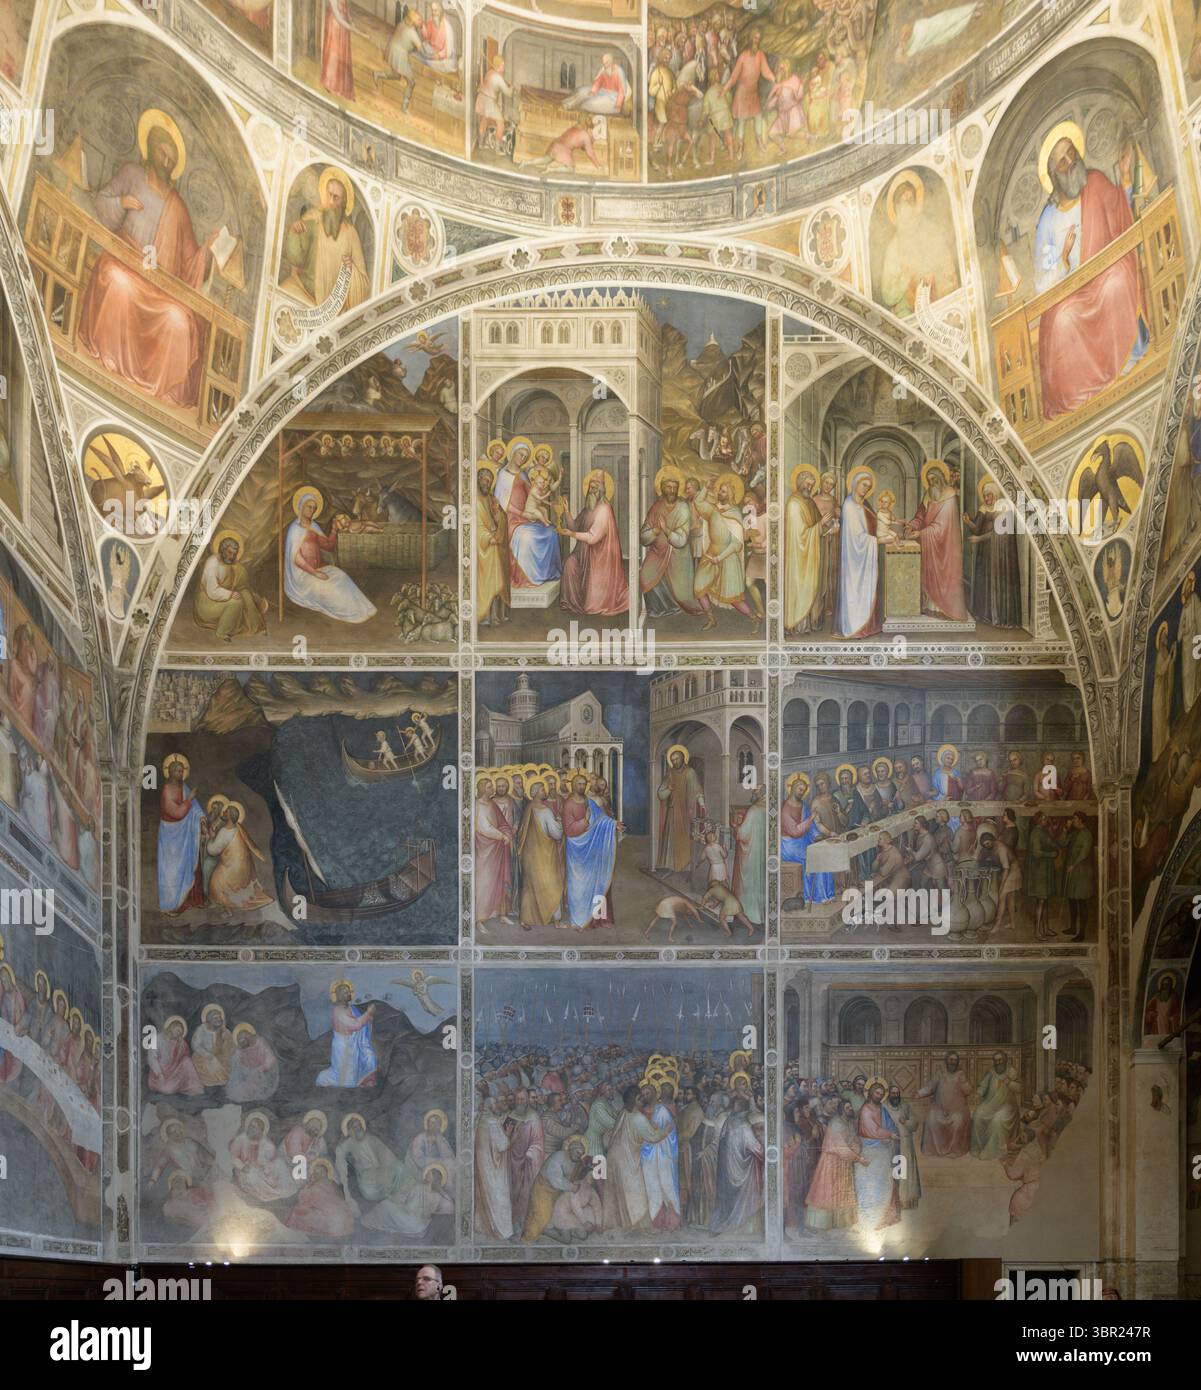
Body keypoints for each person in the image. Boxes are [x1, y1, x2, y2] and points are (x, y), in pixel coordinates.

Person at [77, 117, 218, 407]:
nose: (165, 162)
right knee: (118, 284)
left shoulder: (178, 206)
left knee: (178, 320)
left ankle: (162, 391)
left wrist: (208, 250)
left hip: (159, 284)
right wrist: (121, 203)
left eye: (171, 159)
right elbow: (102, 201)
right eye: (161, 153)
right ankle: (111, 363)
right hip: (122, 258)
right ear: (150, 150)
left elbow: (189, 262)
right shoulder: (132, 174)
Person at [1033, 128, 1144, 419]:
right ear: (1054, 175)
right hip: (1071, 293)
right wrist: (1064, 259)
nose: (1070, 162)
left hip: (1104, 274)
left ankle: (1126, 359)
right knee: (1064, 320)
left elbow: (1120, 211)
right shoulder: (1047, 221)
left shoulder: (1094, 182)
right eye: (1062, 161)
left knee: (1118, 282)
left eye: (1072, 154)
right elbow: (1042, 283)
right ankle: (1080, 395)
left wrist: (1126, 178)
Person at [281, 173, 370, 315]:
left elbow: (364, 284)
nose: (330, 201)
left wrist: (350, 270)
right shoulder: (312, 218)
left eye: (336, 198)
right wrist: (294, 233)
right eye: (329, 195)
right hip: (303, 290)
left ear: (343, 203)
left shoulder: (351, 234)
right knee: (282, 294)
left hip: (334, 306)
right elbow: (296, 259)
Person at [284, 487, 376, 623]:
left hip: (320, 568)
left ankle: (365, 609)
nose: (312, 510)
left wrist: (333, 530)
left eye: (314, 508)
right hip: (303, 576)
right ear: (301, 506)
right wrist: (315, 573)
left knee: (341, 576)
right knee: (331, 588)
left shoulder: (313, 525)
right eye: (309, 506)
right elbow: (296, 559)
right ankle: (354, 613)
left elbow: (328, 546)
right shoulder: (295, 529)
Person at [559, 469, 627, 615]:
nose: (591, 490)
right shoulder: (588, 509)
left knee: (593, 601)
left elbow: (593, 537)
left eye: (595, 488)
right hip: (582, 552)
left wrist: (572, 534)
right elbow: (575, 526)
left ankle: (587, 603)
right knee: (569, 564)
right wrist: (566, 512)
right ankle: (570, 602)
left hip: (598, 556)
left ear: (602, 490)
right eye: (590, 487)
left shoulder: (604, 509)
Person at [905, 464, 968, 621]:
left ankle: (946, 610)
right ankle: (930, 607)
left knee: (945, 577)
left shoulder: (950, 496)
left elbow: (942, 526)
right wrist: (912, 526)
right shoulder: (927, 495)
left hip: (946, 546)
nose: (931, 483)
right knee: (929, 575)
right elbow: (920, 516)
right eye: (928, 480)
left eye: (933, 479)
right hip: (930, 546)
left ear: (940, 478)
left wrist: (921, 533)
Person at [640, 467, 700, 617]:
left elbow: (681, 540)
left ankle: (674, 607)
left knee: (679, 591)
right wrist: (654, 531)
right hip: (657, 552)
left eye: (675, 487)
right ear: (662, 488)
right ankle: (657, 609)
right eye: (668, 487)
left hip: (677, 555)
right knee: (645, 574)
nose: (672, 490)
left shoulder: (682, 508)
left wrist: (666, 530)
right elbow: (643, 536)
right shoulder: (656, 507)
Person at [964, 481, 1022, 627]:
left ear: (995, 494)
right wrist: (968, 522)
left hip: (999, 552)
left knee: (996, 580)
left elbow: (999, 533)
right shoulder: (984, 508)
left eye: (989, 495)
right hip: (985, 551)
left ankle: (999, 616)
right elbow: (977, 529)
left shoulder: (1004, 508)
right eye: (984, 496)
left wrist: (978, 539)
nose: (986, 499)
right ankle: (985, 615)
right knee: (985, 581)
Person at [804, 1097, 865, 1230]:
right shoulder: (836, 1123)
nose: (850, 1110)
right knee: (829, 1191)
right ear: (842, 1110)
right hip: (831, 1162)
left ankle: (842, 1222)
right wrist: (858, 1158)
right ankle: (824, 1223)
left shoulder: (848, 1123)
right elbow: (841, 1147)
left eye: (850, 1108)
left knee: (842, 1191)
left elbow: (854, 1139)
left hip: (844, 1162)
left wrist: (856, 1148)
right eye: (847, 1108)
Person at [194, 533, 268, 641]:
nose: (232, 556)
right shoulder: (212, 564)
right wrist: (230, 594)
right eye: (229, 552)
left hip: (222, 596)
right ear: (222, 550)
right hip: (208, 602)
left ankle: (257, 628)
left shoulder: (231, 563)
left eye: (234, 553)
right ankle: (223, 632)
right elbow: (212, 591)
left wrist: (251, 595)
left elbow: (242, 583)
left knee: (245, 594)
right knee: (236, 602)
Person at [157, 755, 206, 914]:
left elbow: (195, 808)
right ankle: (172, 904)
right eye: (177, 771)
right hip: (171, 835)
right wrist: (190, 799)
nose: (180, 774)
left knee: (189, 866)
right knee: (172, 871)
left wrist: (202, 819)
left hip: (186, 833)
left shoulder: (183, 787)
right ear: (170, 772)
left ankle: (190, 900)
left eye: (182, 770)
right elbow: (177, 813)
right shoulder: (167, 790)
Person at [836, 469, 880, 637]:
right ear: (854, 484)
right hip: (854, 559)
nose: (865, 490)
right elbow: (857, 539)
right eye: (864, 485)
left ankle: (866, 625)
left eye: (868, 487)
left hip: (863, 556)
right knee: (854, 592)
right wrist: (877, 541)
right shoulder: (849, 506)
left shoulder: (863, 504)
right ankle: (855, 626)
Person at [517, 780, 565, 928]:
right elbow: (556, 834)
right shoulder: (545, 811)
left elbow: (521, 832)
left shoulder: (528, 808)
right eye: (542, 790)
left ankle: (525, 920)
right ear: (536, 793)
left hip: (529, 855)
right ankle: (556, 920)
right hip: (544, 856)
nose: (545, 792)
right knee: (552, 884)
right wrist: (559, 822)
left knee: (529, 887)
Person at [316, 979, 378, 1087]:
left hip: (353, 1043)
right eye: (345, 992)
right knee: (346, 1077)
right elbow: (355, 1025)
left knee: (360, 1065)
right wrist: (368, 1013)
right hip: (343, 1045)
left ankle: (362, 1080)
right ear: (339, 995)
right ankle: (325, 1079)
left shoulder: (351, 1008)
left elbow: (359, 1023)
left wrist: (367, 1019)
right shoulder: (338, 1011)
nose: (349, 994)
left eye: (349, 991)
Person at [656, 746, 705, 873]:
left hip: (686, 811)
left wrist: (702, 804)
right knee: (672, 839)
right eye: (672, 760)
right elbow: (660, 794)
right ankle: (672, 866)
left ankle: (686, 866)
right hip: (673, 812)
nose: (675, 762)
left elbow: (697, 791)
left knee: (685, 838)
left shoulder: (690, 773)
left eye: (677, 759)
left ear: (683, 758)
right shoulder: (670, 774)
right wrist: (669, 789)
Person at [916, 1051, 971, 1156]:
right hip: (939, 1109)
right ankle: (932, 1150)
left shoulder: (960, 1074)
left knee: (958, 1122)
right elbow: (930, 1087)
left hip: (957, 1110)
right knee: (931, 1119)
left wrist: (963, 1081)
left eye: (955, 1060)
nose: (953, 1062)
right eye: (951, 1060)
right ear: (946, 1061)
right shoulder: (940, 1074)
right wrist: (919, 1093)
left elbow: (968, 1091)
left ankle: (954, 1150)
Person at [474, 1095, 513, 1239]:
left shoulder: (480, 1120)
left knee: (485, 1194)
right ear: (490, 1107)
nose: (498, 1105)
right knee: (498, 1197)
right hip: (494, 1168)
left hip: (482, 1165)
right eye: (496, 1103)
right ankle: (502, 1231)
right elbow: (503, 1145)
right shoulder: (492, 1122)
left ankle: (482, 1226)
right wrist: (508, 1134)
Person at [971, 1051, 1020, 1160]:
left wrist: (1009, 1083)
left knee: (997, 1120)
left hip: (1007, 1107)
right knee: (977, 1115)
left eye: (1000, 1060)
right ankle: (978, 1147)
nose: (998, 1063)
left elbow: (1020, 1088)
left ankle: (993, 1151)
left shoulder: (1012, 1072)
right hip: (990, 1103)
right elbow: (983, 1086)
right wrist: (978, 1094)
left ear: (1005, 1060)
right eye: (996, 1060)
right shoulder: (991, 1073)